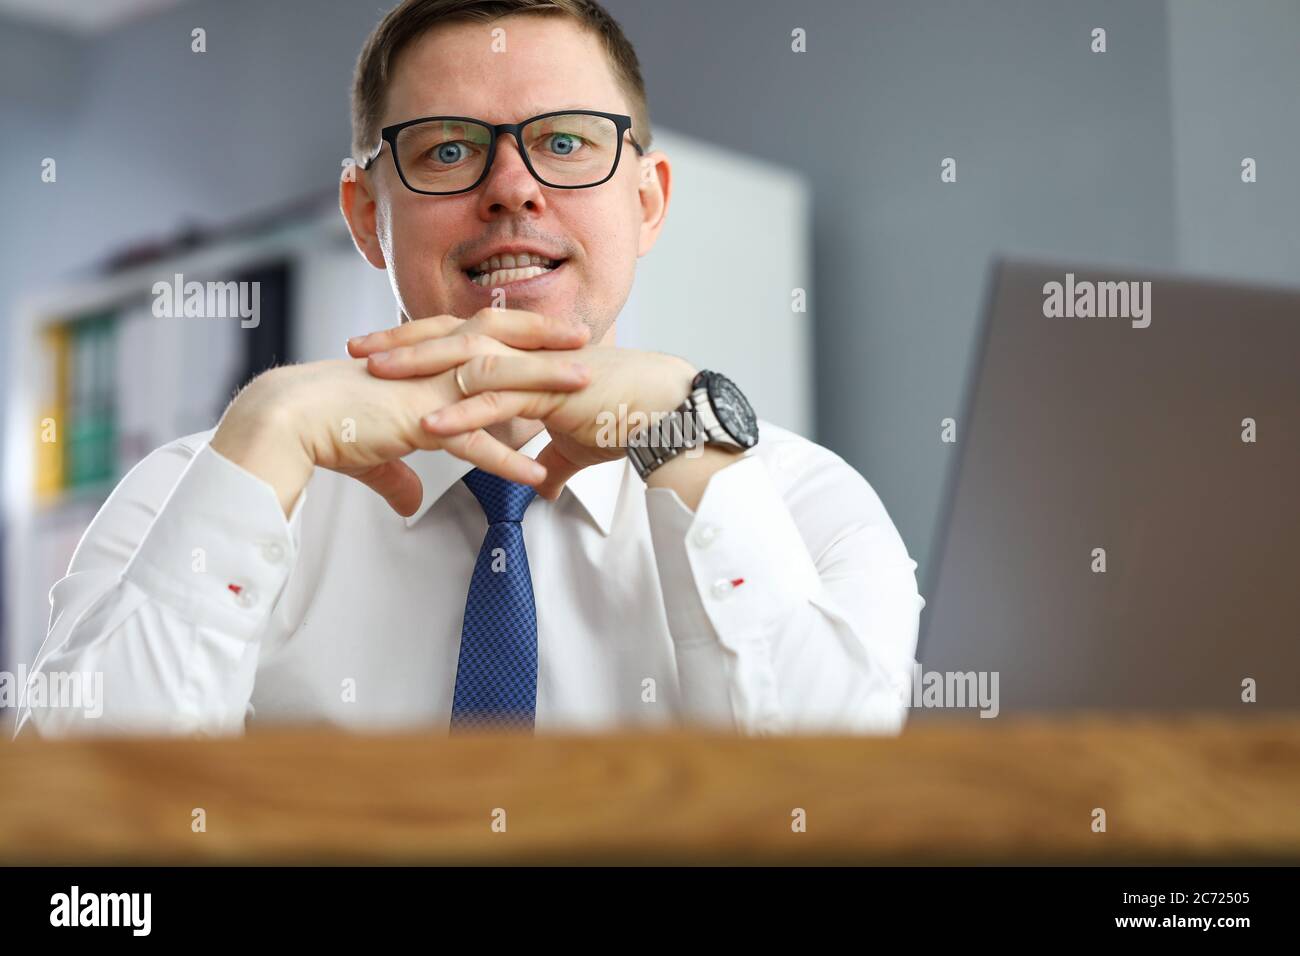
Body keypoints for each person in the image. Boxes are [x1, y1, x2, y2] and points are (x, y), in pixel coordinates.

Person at [17, 0, 923, 738]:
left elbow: (823, 819)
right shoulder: (193, 491)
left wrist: (681, 425)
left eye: (566, 142)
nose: (512, 187)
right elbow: (72, 847)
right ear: (367, 216)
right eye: (449, 149)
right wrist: (264, 429)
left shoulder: (808, 507)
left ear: (647, 204)